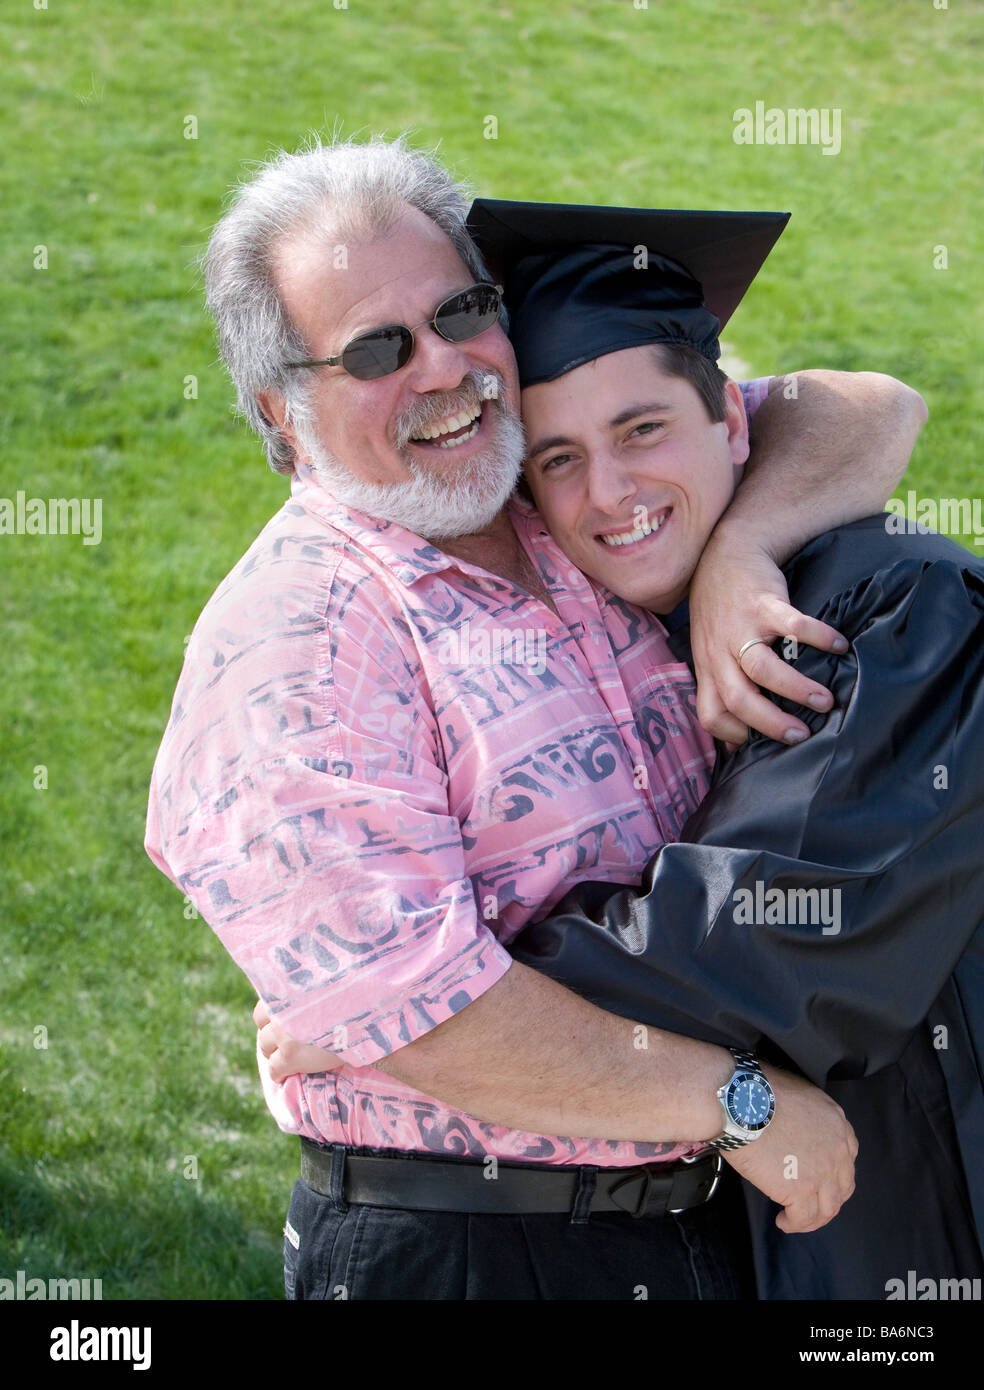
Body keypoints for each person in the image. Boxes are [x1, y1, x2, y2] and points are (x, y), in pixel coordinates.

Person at [146, 135, 924, 1301]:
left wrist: (744, 546)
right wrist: (739, 1102)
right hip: (476, 1250)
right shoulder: (296, 645)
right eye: (376, 349)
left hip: (698, 1231)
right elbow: (436, 1023)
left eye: (462, 309)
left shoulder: (558, 480)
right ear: (282, 407)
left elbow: (867, 410)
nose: (445, 369)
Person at [460, 197, 984, 1299]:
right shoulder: (615, 637)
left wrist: (419, 1003)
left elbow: (750, 949)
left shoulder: (891, 609)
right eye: (558, 459)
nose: (609, 492)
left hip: (932, 1210)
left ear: (736, 421)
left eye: (642, 429)